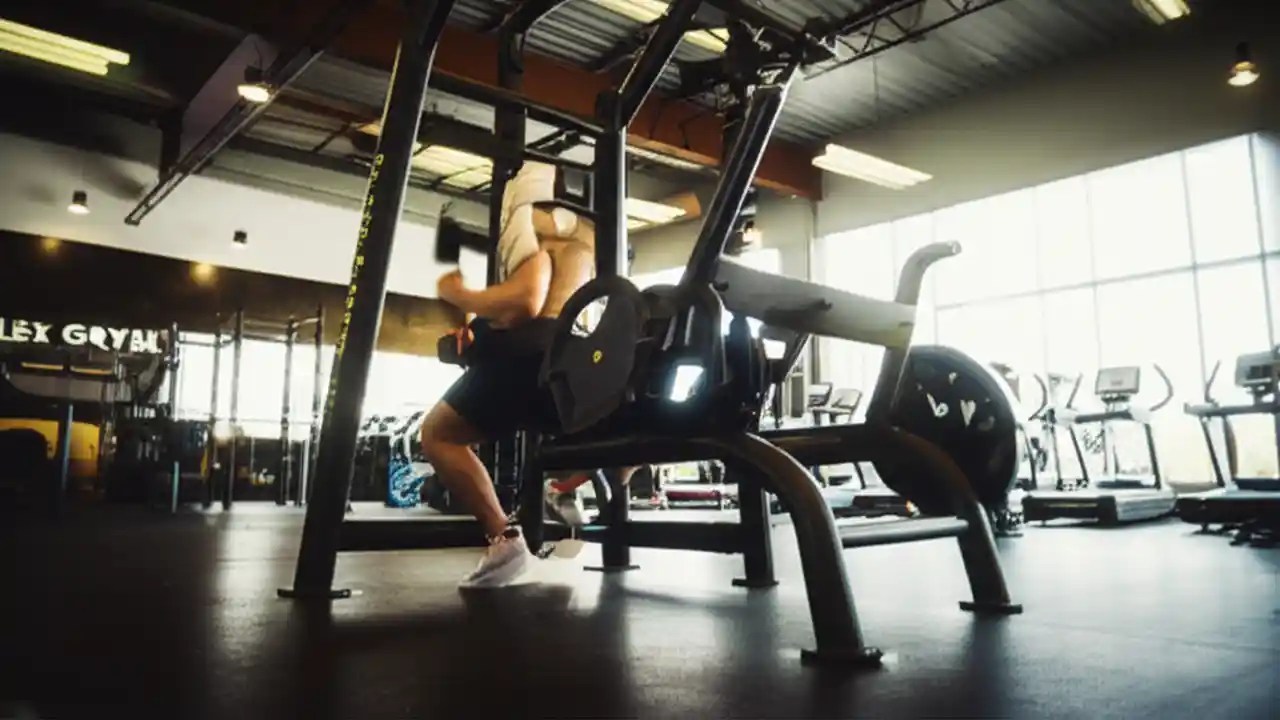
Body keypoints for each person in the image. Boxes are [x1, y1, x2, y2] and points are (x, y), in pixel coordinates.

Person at [421, 160, 601, 588]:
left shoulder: (533, 222)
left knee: (438, 434)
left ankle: (505, 542)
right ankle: (568, 492)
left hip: (528, 361)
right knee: (580, 439)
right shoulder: (591, 236)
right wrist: (479, 326)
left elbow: (526, 302)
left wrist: (457, 292)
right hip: (577, 364)